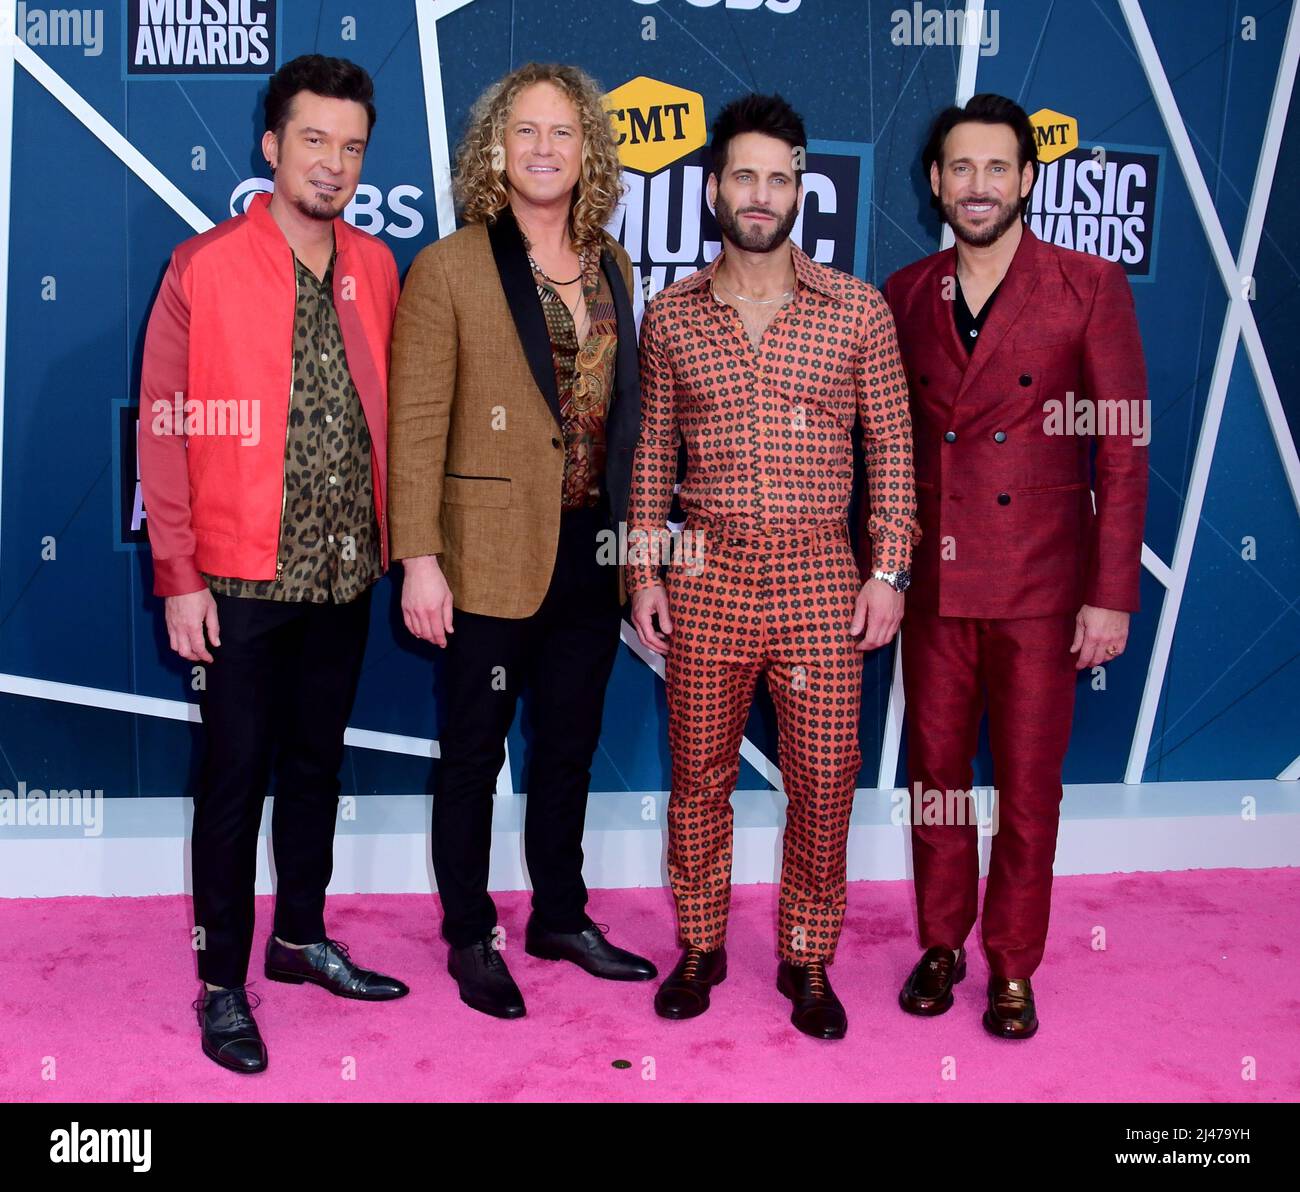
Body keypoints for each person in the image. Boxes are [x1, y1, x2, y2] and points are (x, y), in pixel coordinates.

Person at [627, 94, 918, 1041]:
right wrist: (642, 574)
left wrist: (893, 572)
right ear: (715, 189)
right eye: (744, 176)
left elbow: (894, 452)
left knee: (826, 777)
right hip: (707, 576)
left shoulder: (859, 312)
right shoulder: (671, 316)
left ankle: (806, 958)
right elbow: (651, 455)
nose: (761, 194)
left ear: (802, 190)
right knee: (698, 777)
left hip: (822, 581)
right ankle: (702, 946)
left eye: (779, 178)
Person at [139, 54, 407, 1075]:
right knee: (231, 782)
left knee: (317, 770)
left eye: (350, 148)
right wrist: (179, 574)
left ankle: (299, 940)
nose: (332, 164)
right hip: (238, 581)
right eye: (313, 141)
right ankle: (221, 985)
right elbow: (163, 430)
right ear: (270, 146)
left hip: (344, 579)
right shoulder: (201, 265)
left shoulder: (376, 267)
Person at [388, 62, 655, 1020]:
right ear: (495, 151)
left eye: (563, 132)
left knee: (570, 749)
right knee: (473, 752)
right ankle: (470, 934)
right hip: (485, 558)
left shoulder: (614, 266)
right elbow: (416, 425)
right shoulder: (451, 266)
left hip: (591, 553)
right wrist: (419, 558)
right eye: (526, 132)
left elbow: (626, 422)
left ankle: (560, 914)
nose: (545, 149)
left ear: (590, 151)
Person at [883, 94, 1148, 1039]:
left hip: (1041, 591)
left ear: (1028, 178)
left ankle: (1012, 966)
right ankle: (943, 943)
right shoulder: (907, 292)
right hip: (936, 589)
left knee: (1030, 792)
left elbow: (1121, 450)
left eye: (998, 168)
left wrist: (1111, 595)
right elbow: (889, 449)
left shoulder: (1088, 285)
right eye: (961, 169)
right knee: (937, 778)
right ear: (935, 183)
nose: (978, 186)